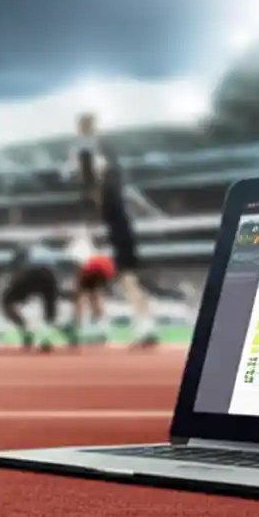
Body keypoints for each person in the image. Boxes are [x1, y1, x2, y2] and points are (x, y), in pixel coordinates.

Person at [62, 112, 159, 347]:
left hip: (119, 229)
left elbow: (86, 172)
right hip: (121, 228)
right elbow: (88, 173)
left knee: (127, 279)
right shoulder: (109, 175)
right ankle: (146, 325)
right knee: (129, 279)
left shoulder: (102, 176)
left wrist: (84, 156)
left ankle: (144, 326)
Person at [0, 239, 63, 352]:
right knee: (50, 310)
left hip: (32, 276)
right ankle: (46, 335)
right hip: (48, 277)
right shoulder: (41, 253)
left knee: (6, 301)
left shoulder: (22, 258)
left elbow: (17, 272)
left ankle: (27, 330)